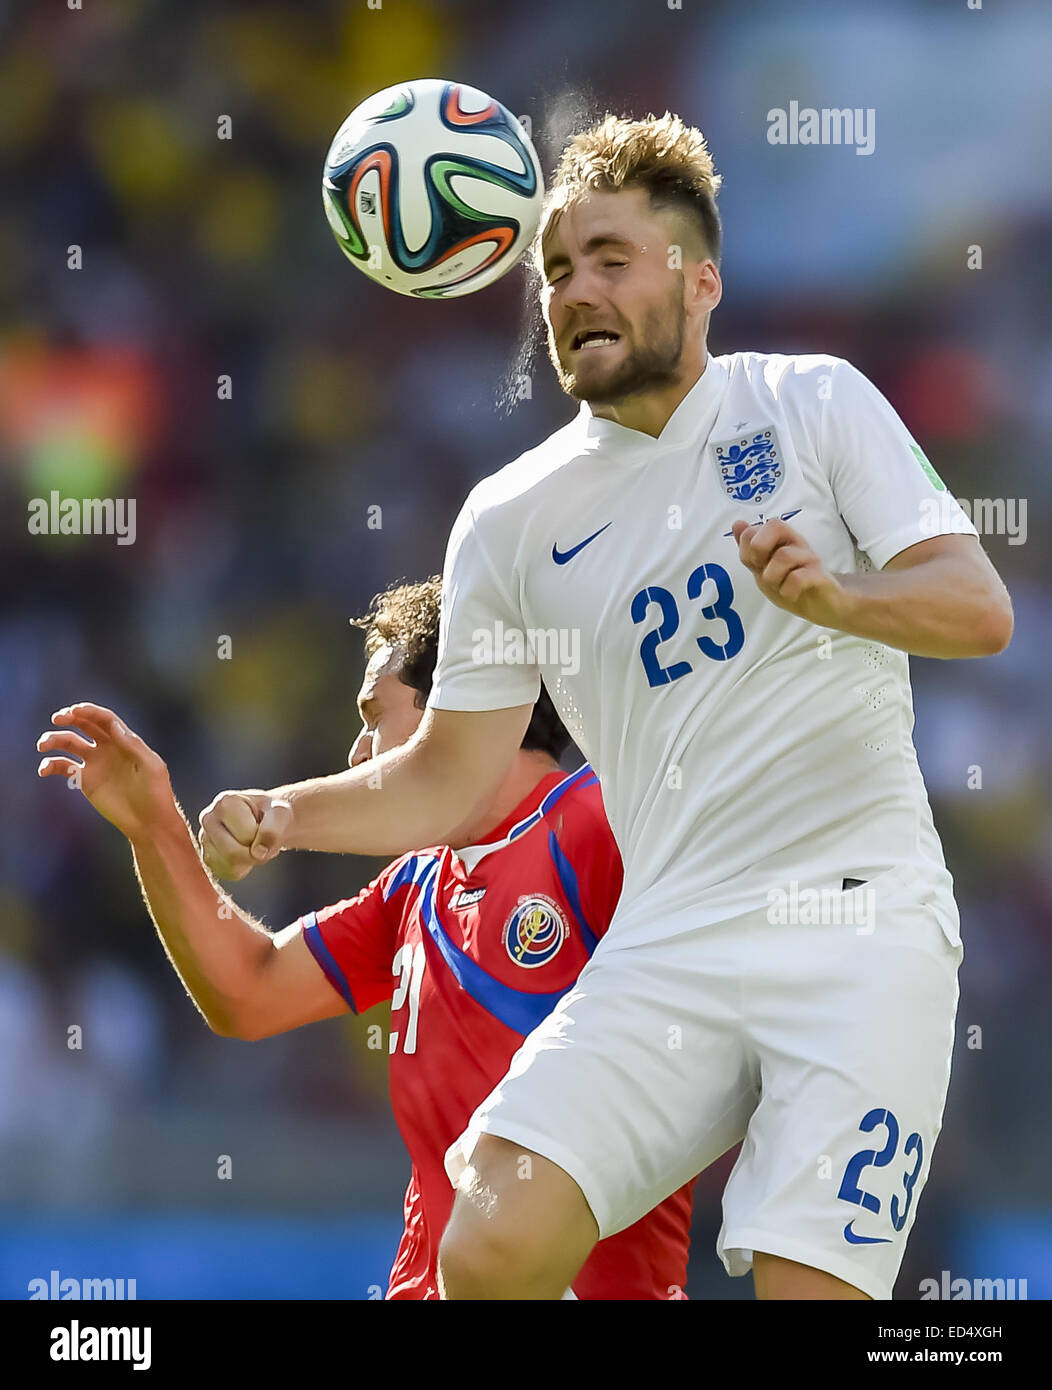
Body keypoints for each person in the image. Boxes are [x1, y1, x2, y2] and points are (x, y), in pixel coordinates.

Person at [175, 112, 1009, 1301]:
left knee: (804, 1289)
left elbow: (975, 606)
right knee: (490, 1246)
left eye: (611, 259)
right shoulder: (509, 518)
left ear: (698, 277)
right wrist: (283, 812)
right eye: (557, 269)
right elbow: (449, 777)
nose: (576, 290)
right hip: (673, 936)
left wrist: (840, 596)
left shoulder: (814, 402)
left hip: (860, 923)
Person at [37, 576, 695, 1300]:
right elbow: (246, 991)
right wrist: (154, 827)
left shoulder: (601, 821)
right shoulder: (415, 886)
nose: (356, 751)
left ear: (457, 701)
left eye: (372, 713)